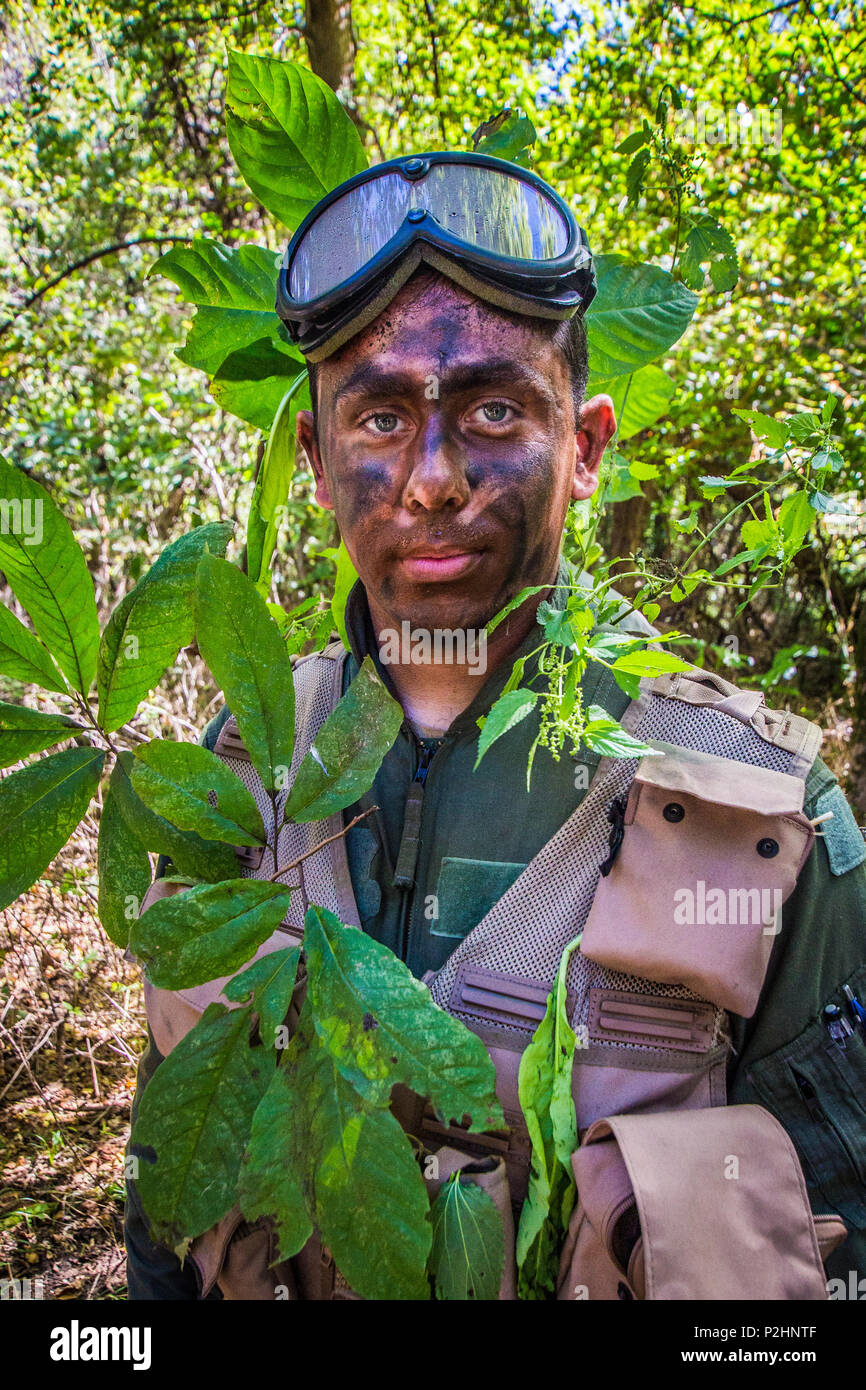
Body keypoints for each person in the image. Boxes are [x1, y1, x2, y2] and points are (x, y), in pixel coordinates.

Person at [125, 153, 866, 1300]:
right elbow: (169, 1185)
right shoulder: (237, 767)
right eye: (378, 416)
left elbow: (835, 1237)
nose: (430, 479)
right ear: (316, 463)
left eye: (491, 408)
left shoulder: (760, 810)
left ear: (585, 447)